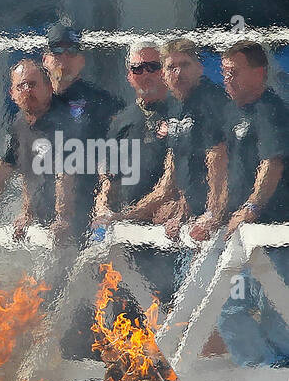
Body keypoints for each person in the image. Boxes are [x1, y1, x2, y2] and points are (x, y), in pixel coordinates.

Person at [0, 58, 88, 245]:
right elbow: (1, 169)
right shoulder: (18, 124)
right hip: (44, 225)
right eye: (21, 86)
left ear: (49, 88)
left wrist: (63, 218)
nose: (27, 91)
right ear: (12, 94)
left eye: (32, 85)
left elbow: (66, 174)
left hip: (80, 226)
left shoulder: (66, 122)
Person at [214, 39, 289, 371]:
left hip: (274, 235)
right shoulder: (230, 113)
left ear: (259, 73)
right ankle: (263, 377)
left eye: (235, 72)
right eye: (224, 72)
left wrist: (252, 207)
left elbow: (271, 164)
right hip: (241, 237)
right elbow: (222, 166)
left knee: (277, 314)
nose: (227, 78)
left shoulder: (272, 111)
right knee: (226, 307)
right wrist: (216, 210)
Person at [159, 37, 231, 242]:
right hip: (192, 213)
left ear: (199, 68)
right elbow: (180, 163)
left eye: (185, 65)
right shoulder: (173, 105)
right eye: (171, 67)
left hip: (220, 215)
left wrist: (213, 214)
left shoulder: (211, 101)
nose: (178, 72)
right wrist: (181, 209)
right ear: (163, 74)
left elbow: (219, 159)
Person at [95, 40, 172, 225]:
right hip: (128, 227)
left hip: (165, 225)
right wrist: (103, 209)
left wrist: (129, 216)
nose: (146, 74)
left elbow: (172, 183)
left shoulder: (180, 113)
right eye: (138, 68)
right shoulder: (120, 120)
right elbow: (107, 179)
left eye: (153, 67)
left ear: (165, 70)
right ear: (129, 76)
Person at [42, 23, 122, 140]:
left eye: (72, 50)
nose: (64, 57)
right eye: (57, 49)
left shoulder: (103, 103)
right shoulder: (36, 101)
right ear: (45, 60)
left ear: (82, 60)